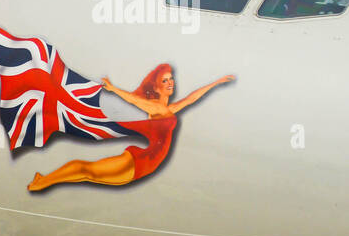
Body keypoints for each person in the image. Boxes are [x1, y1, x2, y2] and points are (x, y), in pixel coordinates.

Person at [28, 64, 234, 191]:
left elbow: (192, 98)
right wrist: (114, 89)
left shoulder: (168, 109)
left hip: (145, 164)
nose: (171, 82)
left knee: (87, 172)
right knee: (85, 170)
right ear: (156, 86)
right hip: (139, 161)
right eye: (165, 80)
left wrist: (217, 82)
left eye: (171, 78)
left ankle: (44, 181)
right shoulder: (155, 108)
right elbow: (135, 102)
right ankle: (43, 181)